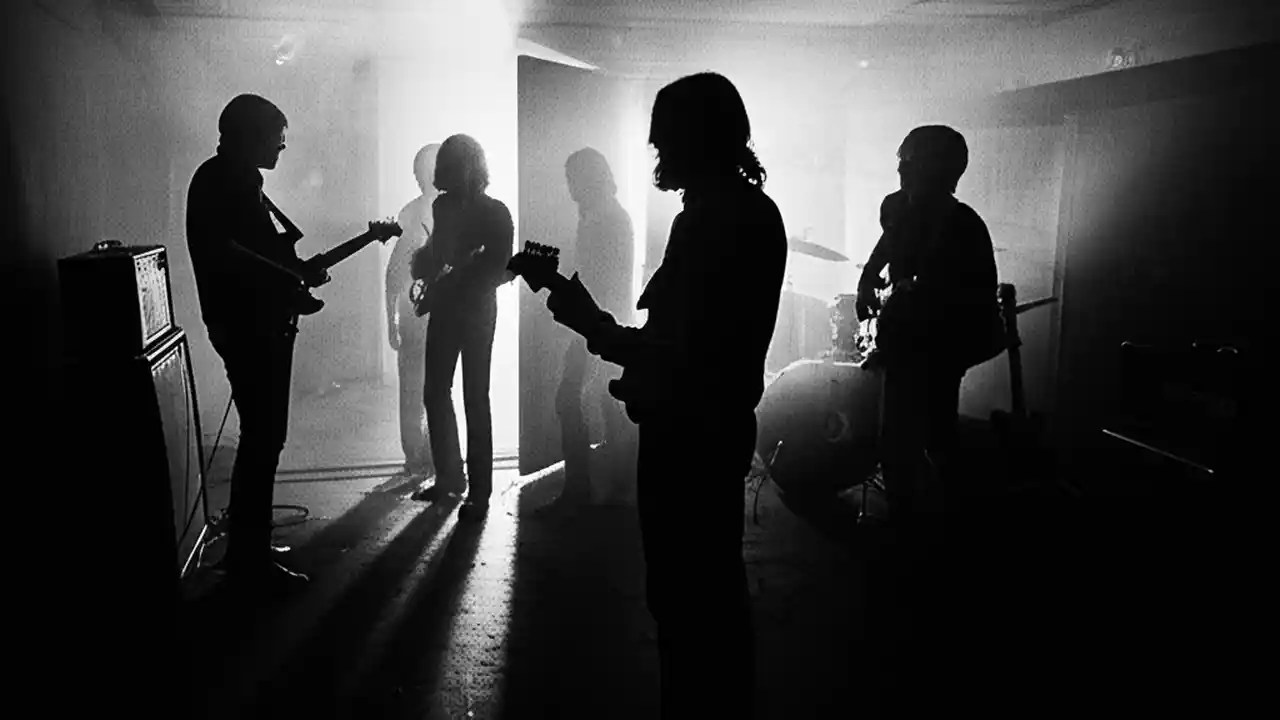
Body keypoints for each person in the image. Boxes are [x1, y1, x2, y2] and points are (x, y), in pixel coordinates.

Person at [543, 73, 787, 719]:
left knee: (687, 596)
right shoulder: (741, 211)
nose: (657, 156)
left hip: (690, 430)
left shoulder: (714, 219)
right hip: (709, 422)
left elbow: (677, 347)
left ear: (693, 139)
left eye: (664, 142)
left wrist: (587, 321)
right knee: (706, 592)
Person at [186, 94, 328, 590]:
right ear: (251, 135)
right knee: (265, 437)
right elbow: (230, 252)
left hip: (245, 321)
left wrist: (290, 275)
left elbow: (245, 250)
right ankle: (250, 559)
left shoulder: (223, 178)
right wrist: (290, 278)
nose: (283, 145)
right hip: (250, 325)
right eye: (276, 136)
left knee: (260, 436)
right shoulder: (232, 181)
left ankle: (250, 545)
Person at [855, 124, 998, 523]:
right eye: (901, 163)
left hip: (939, 347)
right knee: (901, 438)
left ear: (934, 170)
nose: (900, 172)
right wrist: (869, 276)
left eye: (908, 164)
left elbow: (971, 300)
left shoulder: (963, 225)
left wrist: (917, 300)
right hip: (909, 344)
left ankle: (932, 522)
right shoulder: (900, 208)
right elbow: (890, 242)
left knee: (928, 434)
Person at [410, 134, 513, 522]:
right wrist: (426, 263)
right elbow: (439, 253)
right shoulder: (445, 206)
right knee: (437, 391)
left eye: (449, 165)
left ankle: (477, 490)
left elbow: (500, 269)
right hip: (452, 307)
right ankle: (452, 478)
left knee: (473, 396)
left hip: (475, 309)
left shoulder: (495, 213)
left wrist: (453, 276)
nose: (443, 174)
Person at [546, 147, 635, 513]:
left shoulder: (604, 220)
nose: (569, 189)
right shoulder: (607, 215)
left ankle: (583, 489)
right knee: (607, 405)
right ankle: (617, 488)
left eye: (572, 180)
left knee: (575, 401)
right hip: (601, 325)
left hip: (599, 327)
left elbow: (599, 279)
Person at [385, 143, 441, 480]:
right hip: (420, 317)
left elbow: (392, 274)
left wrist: (391, 320)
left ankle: (425, 457)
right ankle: (426, 457)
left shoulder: (413, 213)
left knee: (422, 390)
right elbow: (393, 274)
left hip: (423, 316)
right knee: (424, 390)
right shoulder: (414, 214)